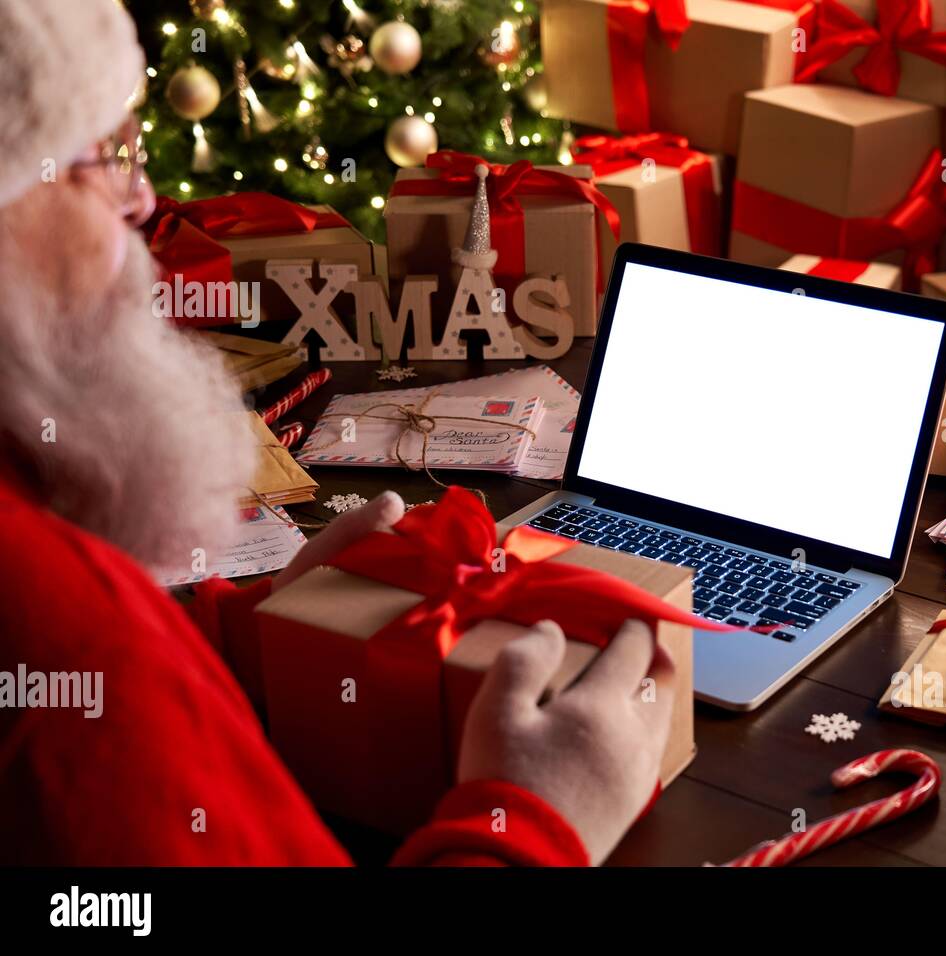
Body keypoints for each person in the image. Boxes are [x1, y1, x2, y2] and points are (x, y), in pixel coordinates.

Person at [0, 0, 674, 866]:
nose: (143, 199)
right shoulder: (55, 619)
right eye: (103, 154)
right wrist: (532, 822)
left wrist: (249, 644)